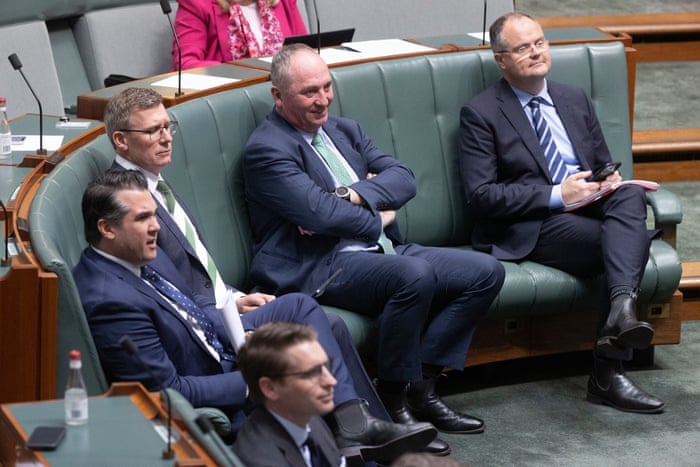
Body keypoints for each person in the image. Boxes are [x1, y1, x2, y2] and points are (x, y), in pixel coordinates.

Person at [99, 89, 436, 463]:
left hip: (222, 303)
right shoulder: (127, 203)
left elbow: (194, 268)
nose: (165, 138)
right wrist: (226, 308)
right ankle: (359, 430)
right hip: (207, 321)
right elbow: (170, 289)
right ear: (121, 140)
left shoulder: (153, 183)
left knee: (332, 327)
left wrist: (233, 295)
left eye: (168, 127)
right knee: (306, 310)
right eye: (153, 131)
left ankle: (368, 438)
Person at [243, 43, 506, 454]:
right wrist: (376, 213)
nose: (323, 99)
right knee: (413, 275)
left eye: (327, 87)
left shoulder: (345, 130)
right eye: (309, 91)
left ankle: (423, 384)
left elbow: (403, 179)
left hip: (381, 250)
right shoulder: (267, 150)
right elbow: (320, 216)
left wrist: (347, 194)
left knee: (485, 272)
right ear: (278, 96)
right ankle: (393, 400)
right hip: (321, 266)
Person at [458, 12, 664, 414]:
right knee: (623, 242)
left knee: (629, 197)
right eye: (523, 48)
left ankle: (619, 314)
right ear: (501, 59)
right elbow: (481, 196)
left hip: (592, 208)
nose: (536, 52)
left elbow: (605, 162)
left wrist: (607, 181)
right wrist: (556, 194)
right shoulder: (481, 113)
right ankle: (609, 369)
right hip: (537, 224)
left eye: (539, 42)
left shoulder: (573, 98)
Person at [233, 322, 347, 466]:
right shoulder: (259, 460)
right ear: (270, 388)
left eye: (325, 366)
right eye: (311, 374)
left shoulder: (307, 417)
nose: (331, 381)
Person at [173, 0, 308, 70]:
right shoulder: (197, 4)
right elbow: (185, 64)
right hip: (230, 97)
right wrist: (244, 71)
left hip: (286, 95)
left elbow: (306, 51)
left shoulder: (284, 2)